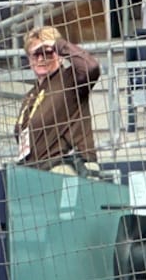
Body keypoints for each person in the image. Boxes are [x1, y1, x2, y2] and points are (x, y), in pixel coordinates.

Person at [14, 27, 100, 173]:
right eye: (36, 54)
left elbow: (91, 67)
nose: (41, 59)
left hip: (69, 168)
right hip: (37, 172)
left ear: (58, 55)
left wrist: (58, 44)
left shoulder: (70, 78)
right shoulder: (31, 95)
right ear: (29, 59)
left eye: (47, 53)